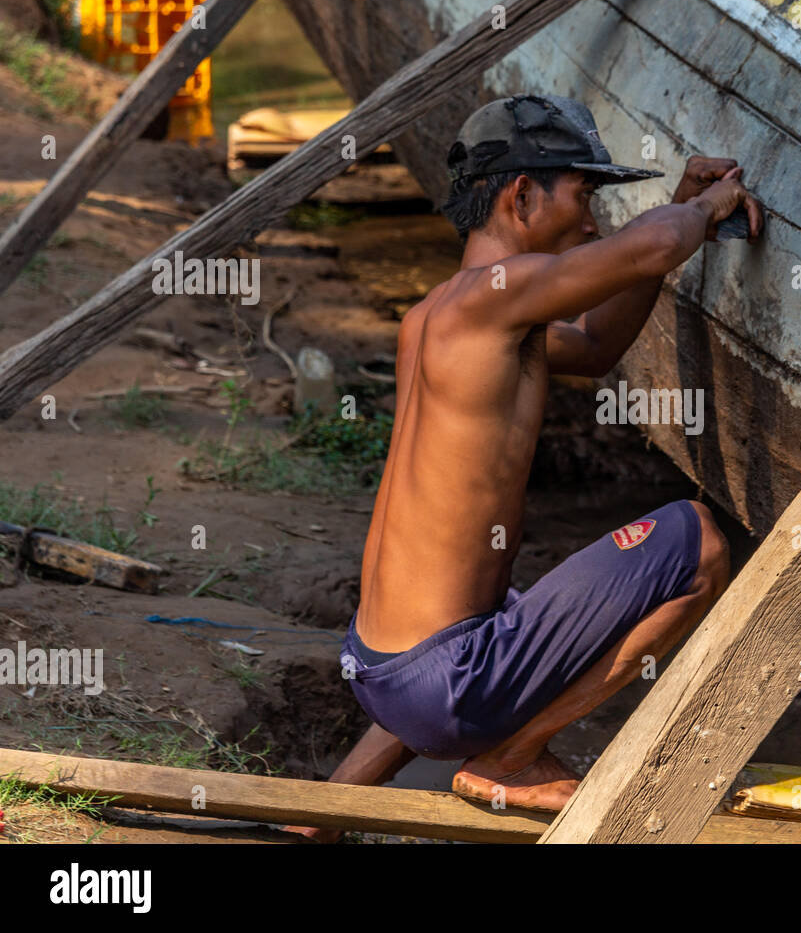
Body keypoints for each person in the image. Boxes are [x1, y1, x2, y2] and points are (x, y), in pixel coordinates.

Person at [287, 94, 762, 838]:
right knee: (697, 539)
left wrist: (679, 204)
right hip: (446, 682)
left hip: (380, 670)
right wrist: (711, 208)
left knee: (503, 606)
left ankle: (318, 820)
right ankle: (512, 757)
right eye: (583, 196)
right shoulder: (492, 303)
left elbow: (600, 344)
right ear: (521, 194)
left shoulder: (441, 316)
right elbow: (652, 249)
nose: (589, 221)